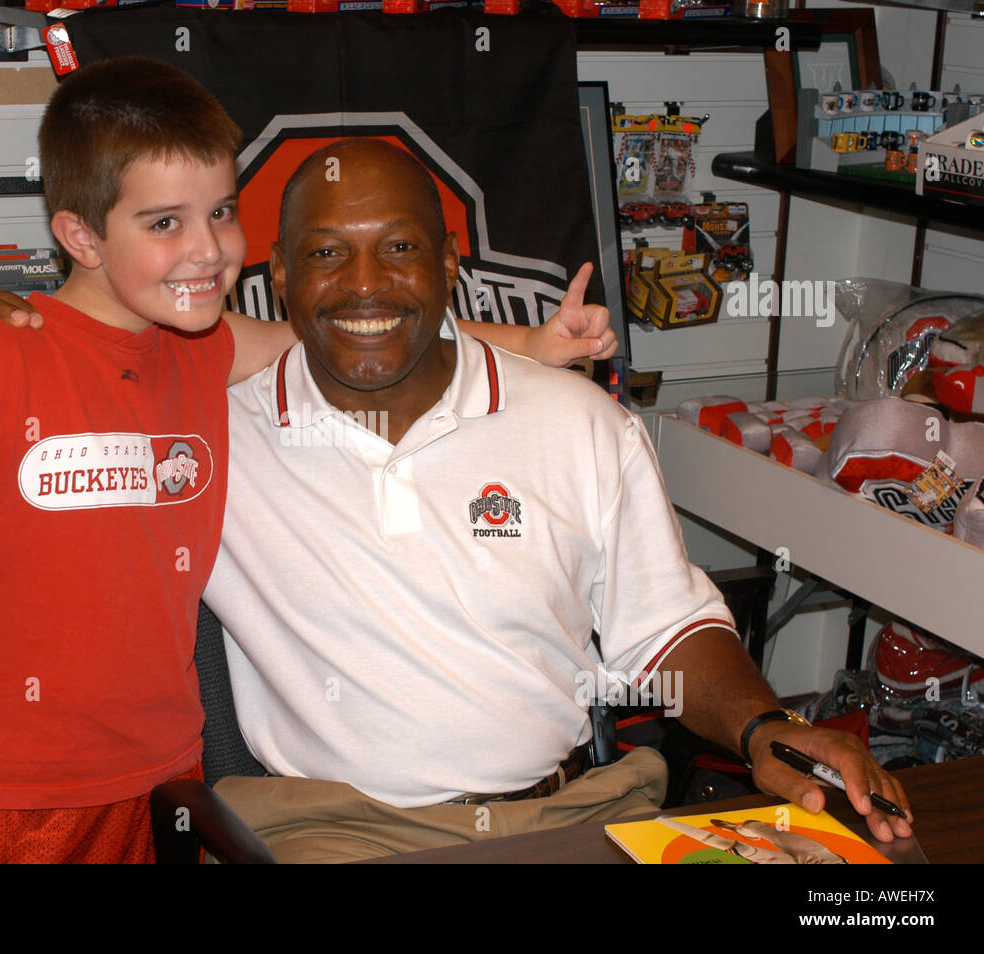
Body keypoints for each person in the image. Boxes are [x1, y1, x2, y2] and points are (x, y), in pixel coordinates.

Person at [0, 60, 611, 864]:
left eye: (221, 212)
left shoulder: (208, 351)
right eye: (163, 224)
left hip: (165, 788)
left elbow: (352, 333)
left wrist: (534, 344)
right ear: (79, 234)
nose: (209, 250)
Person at [198, 139, 913, 862]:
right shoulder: (213, 445)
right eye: (325, 254)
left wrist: (766, 726)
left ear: (449, 261)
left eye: (399, 247)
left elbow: (662, 626)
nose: (364, 285)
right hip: (336, 836)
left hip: (573, 814)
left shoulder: (578, 423)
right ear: (280, 273)